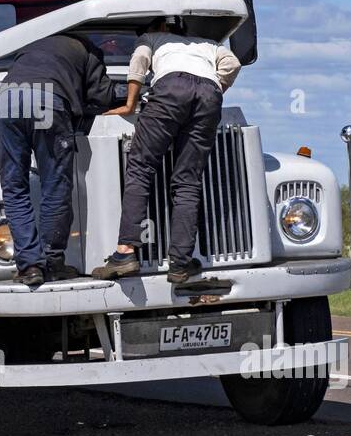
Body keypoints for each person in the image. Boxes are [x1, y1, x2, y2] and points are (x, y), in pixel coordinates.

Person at [92, 16, 241, 284]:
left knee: (140, 168)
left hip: (170, 89)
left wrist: (129, 104)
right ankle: (180, 263)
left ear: (160, 26)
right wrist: (216, 87)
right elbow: (232, 63)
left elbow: (139, 61)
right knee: (188, 181)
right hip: (208, 94)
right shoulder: (206, 44)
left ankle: (125, 252)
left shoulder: (151, 38)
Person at [0, 33, 118, 286]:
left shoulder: (31, 43)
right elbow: (102, 96)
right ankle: (51, 262)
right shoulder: (88, 48)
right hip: (47, 102)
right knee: (55, 186)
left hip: (5, 101)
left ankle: (29, 267)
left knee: (15, 188)